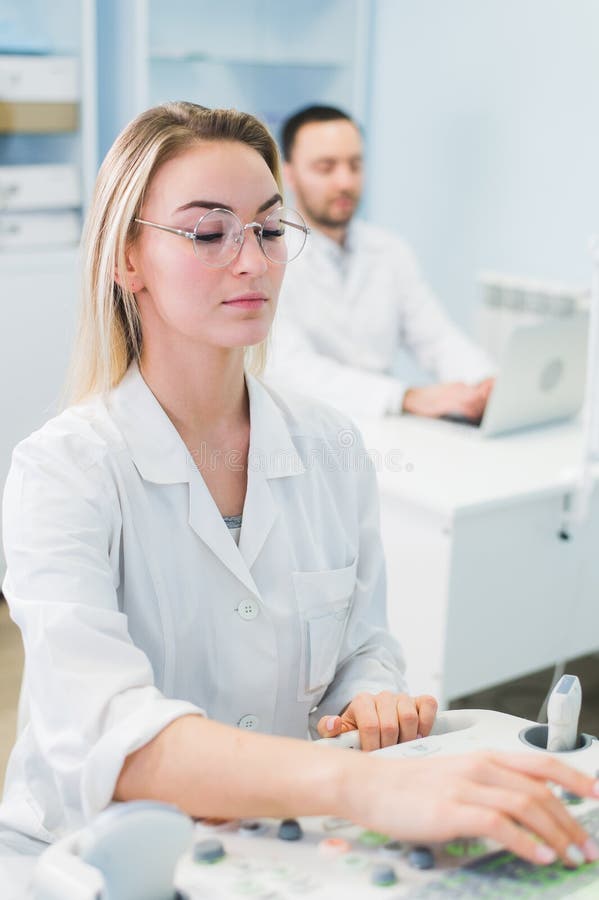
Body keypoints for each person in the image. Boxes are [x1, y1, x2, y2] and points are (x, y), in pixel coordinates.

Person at [1, 102, 597, 875]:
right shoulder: (63, 470)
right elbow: (113, 737)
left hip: (269, 840)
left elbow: (364, 645)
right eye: (208, 233)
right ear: (126, 259)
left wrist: (371, 697)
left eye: (269, 229)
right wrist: (360, 785)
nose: (250, 261)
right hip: (88, 857)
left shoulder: (330, 446)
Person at [266, 104, 496, 420]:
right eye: (326, 167)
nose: (345, 181)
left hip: (385, 425)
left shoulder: (389, 250)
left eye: (355, 165)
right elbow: (290, 369)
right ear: (289, 174)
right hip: (306, 428)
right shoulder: (270, 257)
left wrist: (484, 381)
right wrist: (405, 397)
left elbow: (437, 337)